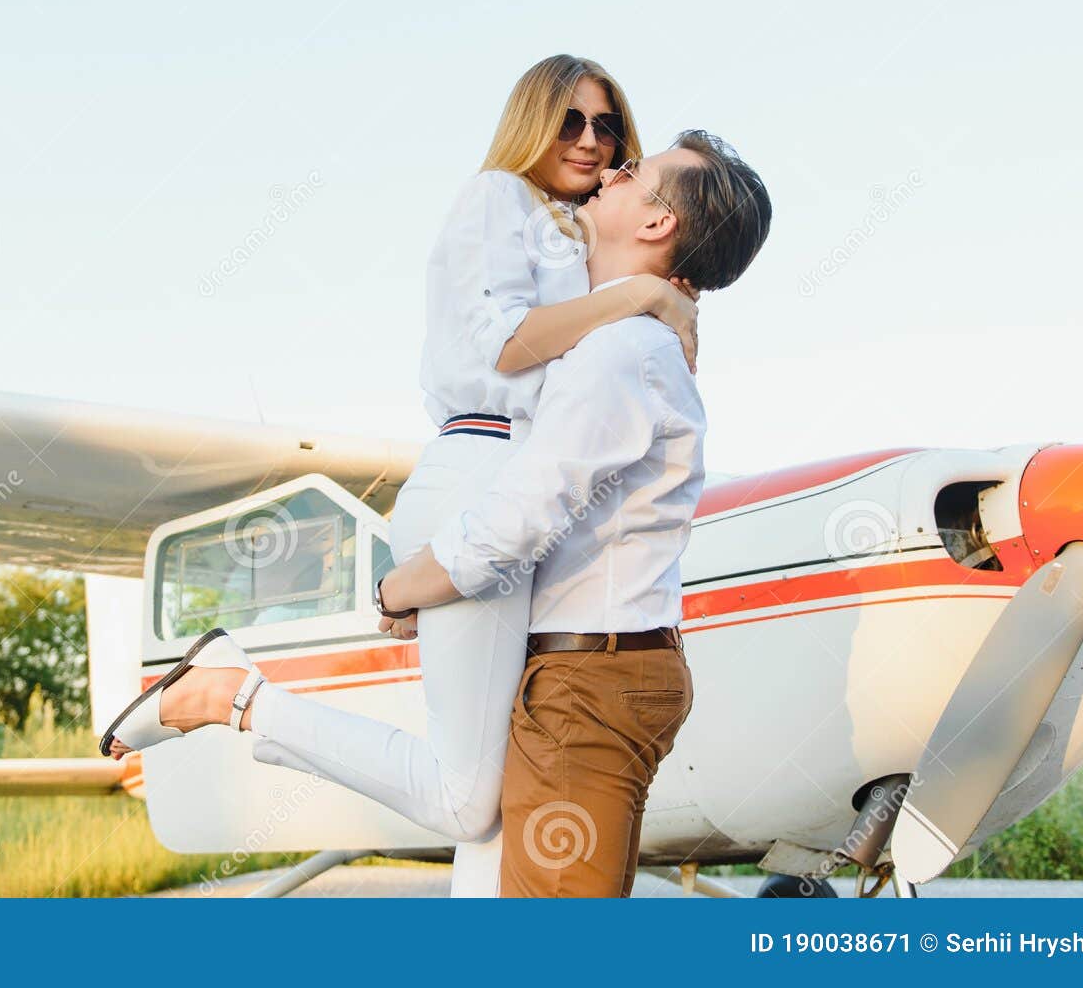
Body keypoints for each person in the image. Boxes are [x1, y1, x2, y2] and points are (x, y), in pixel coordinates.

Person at [98, 55, 699, 897]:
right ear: (531, 123)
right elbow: (508, 344)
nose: (592, 140)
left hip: (515, 488)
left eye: (608, 125)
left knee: (495, 798)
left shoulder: (582, 231)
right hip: (482, 471)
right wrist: (642, 298)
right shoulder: (500, 197)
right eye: (569, 120)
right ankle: (229, 696)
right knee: (465, 798)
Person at [376, 132, 772, 896]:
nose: (607, 175)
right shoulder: (630, 341)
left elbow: (520, 515)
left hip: (590, 678)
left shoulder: (619, 352)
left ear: (657, 225)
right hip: (597, 667)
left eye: (633, 173)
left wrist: (401, 590)